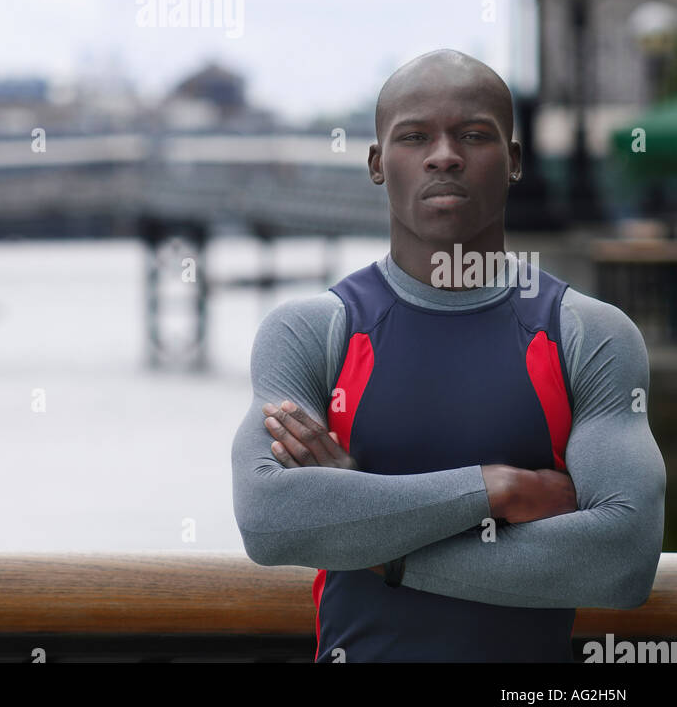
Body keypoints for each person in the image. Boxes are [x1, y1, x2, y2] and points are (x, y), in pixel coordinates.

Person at [231, 49, 666, 662]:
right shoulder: (314, 331)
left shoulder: (585, 335)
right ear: (378, 164)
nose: (444, 154)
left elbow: (621, 561)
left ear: (513, 161)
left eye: (473, 134)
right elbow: (270, 523)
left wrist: (371, 544)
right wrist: (501, 488)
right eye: (413, 136)